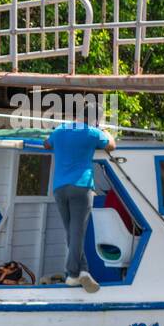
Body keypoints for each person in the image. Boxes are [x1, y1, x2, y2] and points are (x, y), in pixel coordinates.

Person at [43, 122, 116, 292]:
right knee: (77, 232)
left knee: (71, 232)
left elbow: (46, 144)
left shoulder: (60, 130)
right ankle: (73, 274)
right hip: (81, 187)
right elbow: (112, 145)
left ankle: (83, 270)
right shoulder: (93, 132)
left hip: (60, 188)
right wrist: (104, 129)